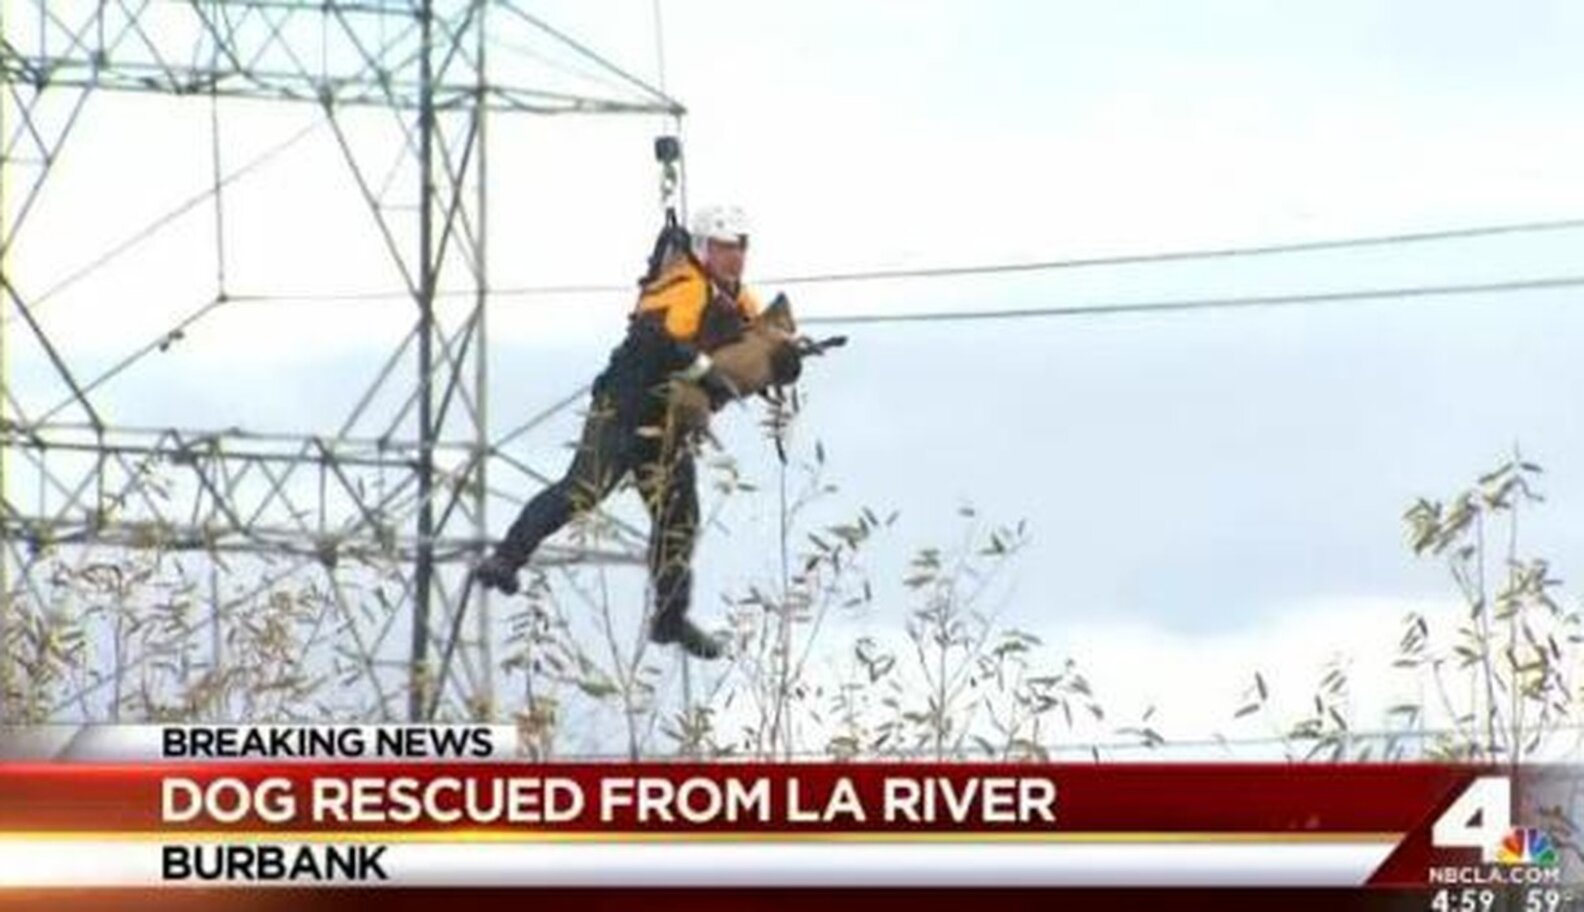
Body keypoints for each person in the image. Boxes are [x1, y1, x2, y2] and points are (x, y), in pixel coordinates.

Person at [472, 205, 769, 660]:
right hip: (624, 412)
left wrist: (781, 358)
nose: (735, 257)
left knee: (679, 520)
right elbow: (654, 341)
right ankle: (507, 559)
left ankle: (669, 620)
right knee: (580, 491)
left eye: (740, 247)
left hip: (665, 426)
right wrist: (705, 369)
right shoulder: (682, 286)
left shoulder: (735, 296)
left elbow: (758, 337)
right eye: (725, 247)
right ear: (705, 248)